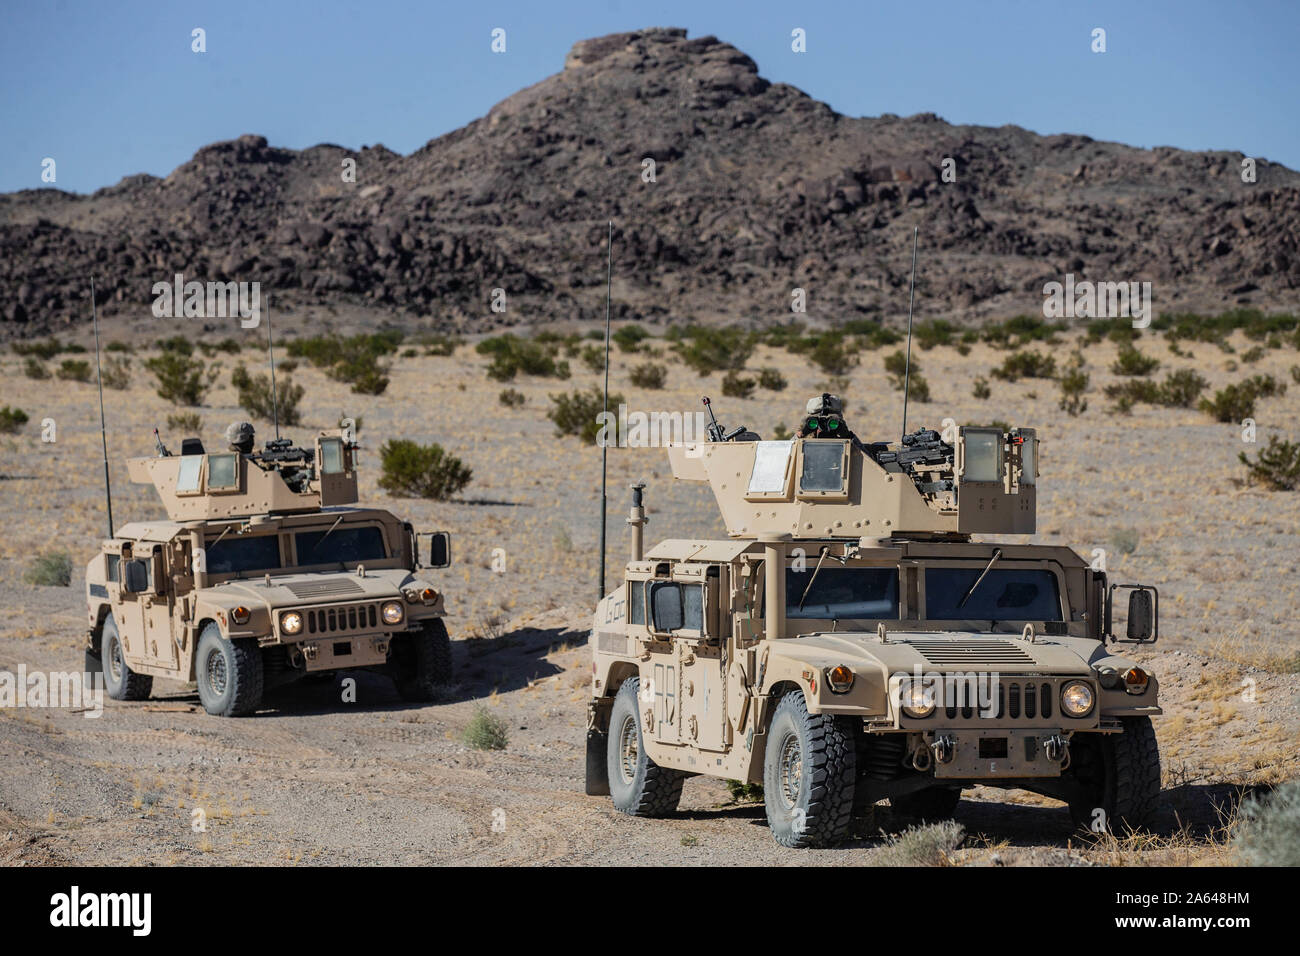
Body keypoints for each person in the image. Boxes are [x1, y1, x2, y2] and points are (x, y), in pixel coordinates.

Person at [797, 393, 863, 447]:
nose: (823, 425)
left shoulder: (846, 445)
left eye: (833, 422)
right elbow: (788, 450)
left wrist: (847, 436)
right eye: (814, 422)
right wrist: (802, 434)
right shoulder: (804, 443)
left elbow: (865, 456)